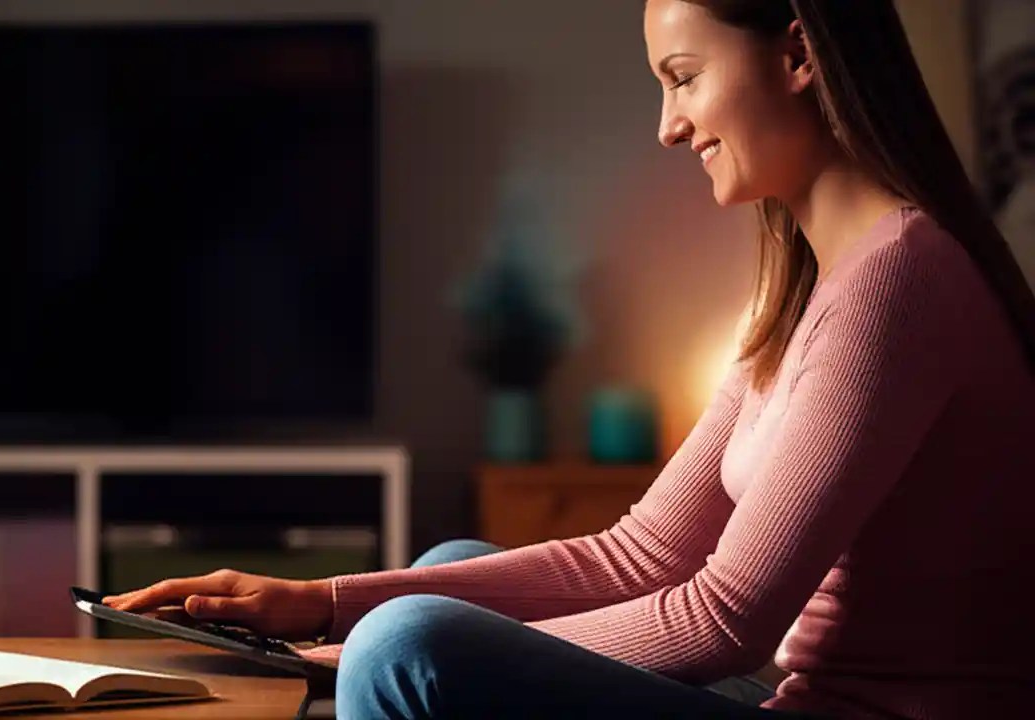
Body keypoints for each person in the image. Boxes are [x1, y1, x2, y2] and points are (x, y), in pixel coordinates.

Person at [104, 1, 1035, 717]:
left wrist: (376, 637)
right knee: (448, 569)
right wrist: (319, 599)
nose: (670, 125)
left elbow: (721, 619)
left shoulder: (900, 279)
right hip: (794, 695)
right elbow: (644, 552)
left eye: (683, 77)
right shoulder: (806, 289)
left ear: (798, 53)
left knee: (406, 644)